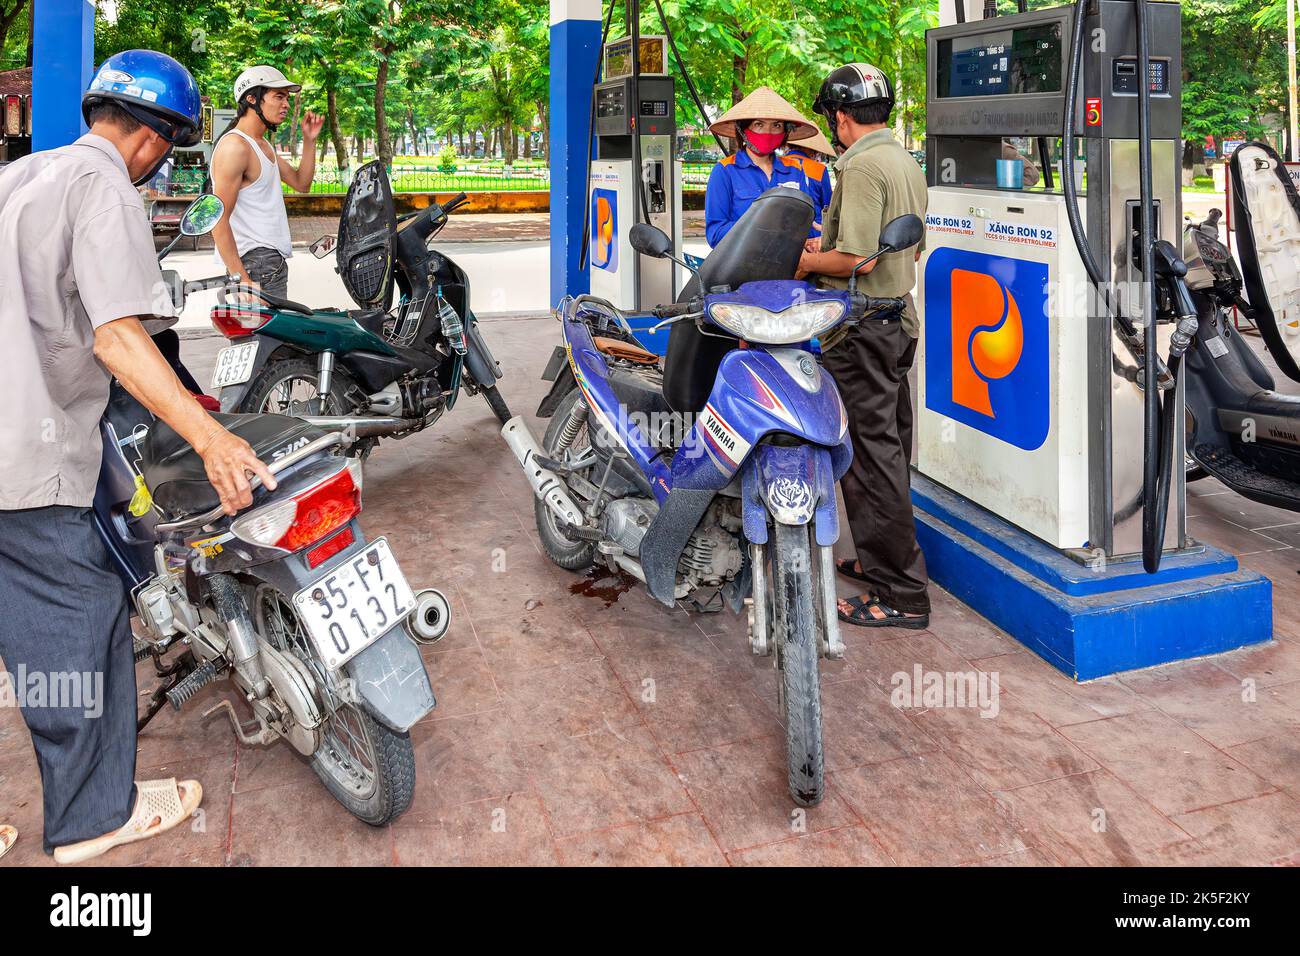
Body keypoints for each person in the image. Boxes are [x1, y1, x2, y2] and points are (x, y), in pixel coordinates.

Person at [0, 49, 276, 863]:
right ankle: (91, 819)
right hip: (29, 452)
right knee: (77, 618)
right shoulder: (107, 188)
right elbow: (119, 333)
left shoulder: (21, 177)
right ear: (155, 141)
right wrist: (213, 437)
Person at [796, 63, 931, 630]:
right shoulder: (903, 160)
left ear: (840, 117)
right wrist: (825, 245)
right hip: (898, 322)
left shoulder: (858, 166)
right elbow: (905, 251)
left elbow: (855, 260)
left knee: (869, 460)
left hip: (861, 330)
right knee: (890, 450)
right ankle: (882, 563)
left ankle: (900, 593)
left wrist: (804, 259)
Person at [209, 65, 323, 298]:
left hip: (268, 262)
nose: (286, 104)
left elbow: (302, 183)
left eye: (287, 98)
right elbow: (218, 218)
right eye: (278, 96)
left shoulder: (261, 145)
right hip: (254, 262)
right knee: (261, 336)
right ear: (252, 98)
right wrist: (241, 278)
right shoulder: (236, 147)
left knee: (270, 335)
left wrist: (309, 141)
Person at [703, 87, 825, 247]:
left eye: (776, 125)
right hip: (742, 267)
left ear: (785, 131)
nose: (768, 132)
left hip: (788, 266)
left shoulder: (795, 169)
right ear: (743, 129)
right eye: (758, 124)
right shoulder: (725, 171)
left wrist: (820, 234)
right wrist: (761, 224)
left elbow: (807, 222)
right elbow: (715, 234)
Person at [785, 126, 836, 213]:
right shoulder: (819, 169)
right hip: (813, 224)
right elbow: (827, 204)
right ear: (810, 148)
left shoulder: (774, 164)